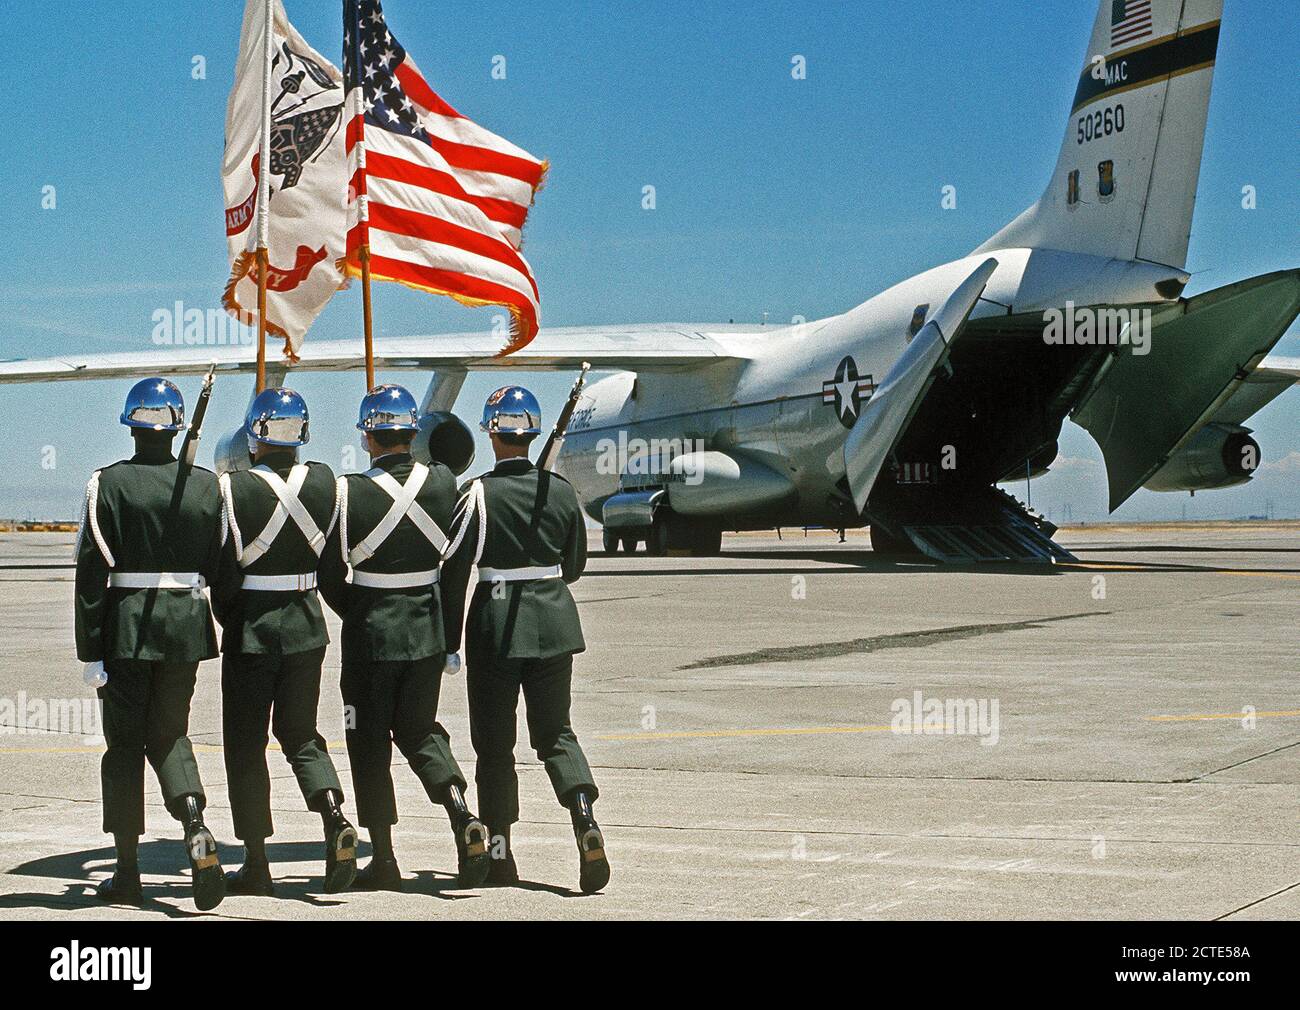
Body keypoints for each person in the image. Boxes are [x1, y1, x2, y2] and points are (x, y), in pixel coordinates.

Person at [319, 383, 490, 891]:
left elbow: (330, 575)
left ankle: (385, 858)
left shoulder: (348, 491)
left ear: (368, 437)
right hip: (426, 632)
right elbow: (454, 566)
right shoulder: (443, 483)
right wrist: (447, 636)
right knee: (420, 730)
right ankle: (461, 814)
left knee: (368, 741)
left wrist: (361, 612)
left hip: (371, 636)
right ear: (413, 434)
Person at [440, 384, 609, 894]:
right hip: (555, 622)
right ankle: (583, 818)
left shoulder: (476, 493)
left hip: (497, 629)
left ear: (492, 434)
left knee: (495, 747)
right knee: (556, 734)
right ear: (532, 434)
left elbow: (455, 571)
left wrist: (449, 642)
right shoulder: (559, 491)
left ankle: (500, 855)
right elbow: (573, 567)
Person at [75, 377, 225, 910]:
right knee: (170, 735)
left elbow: (92, 573)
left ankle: (127, 870)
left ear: (131, 426)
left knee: (124, 748)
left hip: (127, 629)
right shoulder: (206, 486)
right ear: (178, 427)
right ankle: (195, 823)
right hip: (184, 628)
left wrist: (90, 650)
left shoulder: (107, 483)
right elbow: (217, 563)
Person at [211, 387, 356, 896]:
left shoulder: (232, 489)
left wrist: (232, 618)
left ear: (254, 436)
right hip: (307, 626)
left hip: (252, 629)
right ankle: (334, 817)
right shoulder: (326, 482)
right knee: (302, 736)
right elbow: (334, 567)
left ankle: (256, 862)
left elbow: (223, 573)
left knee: (246, 745)